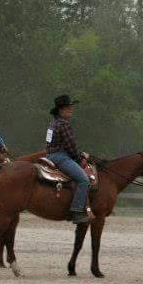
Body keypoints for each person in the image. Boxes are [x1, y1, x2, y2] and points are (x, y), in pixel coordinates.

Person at [45, 94, 92, 224]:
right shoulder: (64, 124)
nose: (71, 109)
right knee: (84, 179)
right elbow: (71, 146)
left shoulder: (53, 123)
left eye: (71, 107)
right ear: (61, 110)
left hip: (50, 155)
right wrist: (80, 156)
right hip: (60, 157)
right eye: (68, 107)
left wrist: (79, 153)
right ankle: (76, 211)